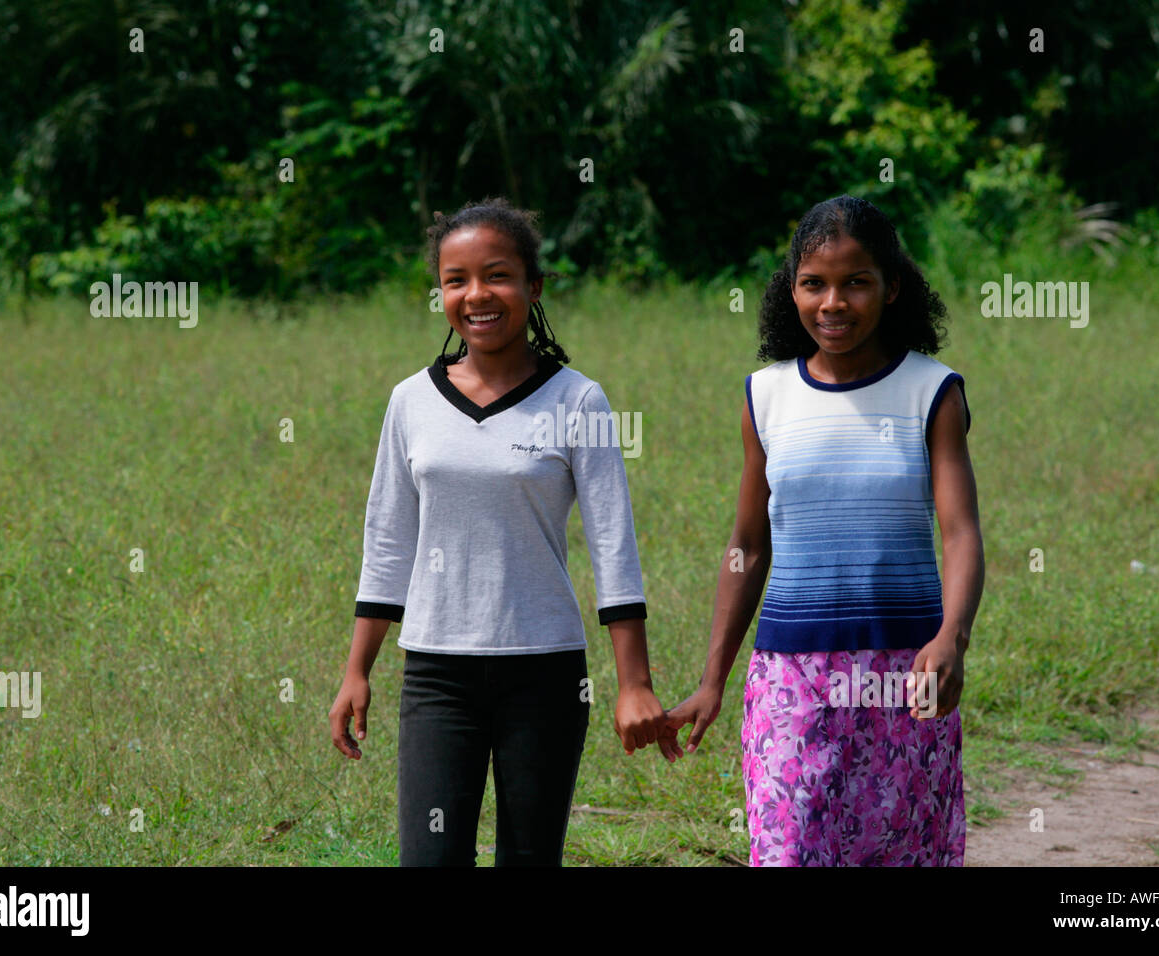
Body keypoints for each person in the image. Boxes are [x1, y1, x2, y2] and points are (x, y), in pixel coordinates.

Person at [328, 196, 677, 867]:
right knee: (430, 857)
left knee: (529, 856)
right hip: (437, 673)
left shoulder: (579, 400)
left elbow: (613, 545)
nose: (477, 294)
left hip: (544, 672)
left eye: (497, 275)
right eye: (456, 280)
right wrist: (356, 670)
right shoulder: (411, 402)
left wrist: (634, 683)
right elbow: (389, 542)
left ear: (533, 287)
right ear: (440, 294)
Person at [665, 195, 985, 866]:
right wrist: (713, 677)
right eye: (814, 283)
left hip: (908, 673)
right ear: (792, 289)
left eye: (855, 282)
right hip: (791, 677)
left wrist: (951, 638)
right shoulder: (767, 397)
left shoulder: (932, 393)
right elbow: (748, 546)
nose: (833, 302)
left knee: (902, 853)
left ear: (891, 288)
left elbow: (960, 533)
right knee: (788, 851)